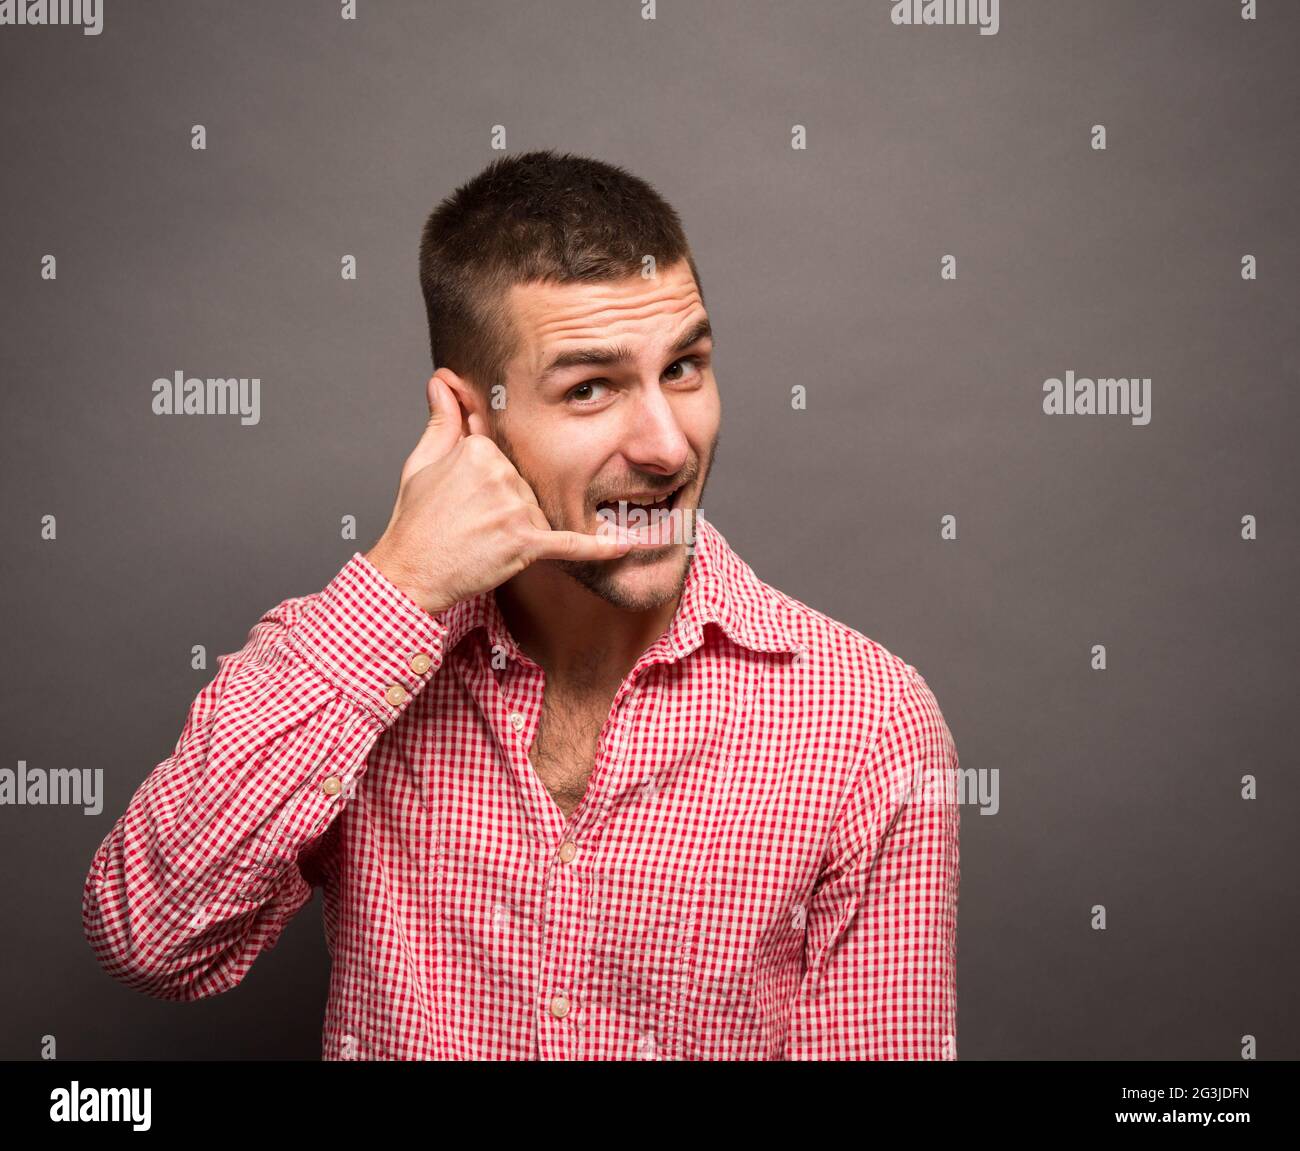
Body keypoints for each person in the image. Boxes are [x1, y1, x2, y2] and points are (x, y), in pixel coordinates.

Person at [83, 149, 961, 1060]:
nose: (668, 445)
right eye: (591, 387)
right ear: (469, 419)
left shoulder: (867, 722)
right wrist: (401, 588)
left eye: (686, 367)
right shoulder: (338, 662)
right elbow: (151, 941)